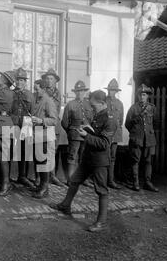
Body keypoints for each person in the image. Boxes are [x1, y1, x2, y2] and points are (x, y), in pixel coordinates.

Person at [50, 90, 118, 232]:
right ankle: (65, 205)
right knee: (74, 180)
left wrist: (86, 135)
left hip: (99, 161)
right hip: (88, 157)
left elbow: (104, 144)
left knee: (101, 190)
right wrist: (87, 129)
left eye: (94, 106)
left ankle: (101, 222)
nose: (92, 108)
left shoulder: (110, 119)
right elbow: (96, 133)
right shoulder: (98, 115)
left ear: (103, 103)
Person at [125, 84, 159, 192]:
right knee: (135, 160)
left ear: (147, 96)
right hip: (137, 138)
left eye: (144, 95)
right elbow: (127, 124)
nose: (142, 97)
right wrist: (135, 132)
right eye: (140, 95)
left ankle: (148, 183)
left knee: (148, 161)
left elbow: (156, 123)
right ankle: (136, 183)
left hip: (149, 139)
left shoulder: (152, 108)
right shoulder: (133, 108)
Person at [61, 80, 94, 185]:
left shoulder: (89, 104)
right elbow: (64, 122)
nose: (80, 93)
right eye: (78, 91)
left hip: (86, 135)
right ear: (75, 92)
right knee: (72, 156)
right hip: (75, 134)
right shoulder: (70, 105)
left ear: (84, 92)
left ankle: (81, 178)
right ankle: (70, 179)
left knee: (84, 156)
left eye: (82, 91)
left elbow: (92, 120)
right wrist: (71, 131)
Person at [30, 79, 59, 198]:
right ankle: (42, 185)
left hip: (46, 136)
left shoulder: (48, 101)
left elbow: (54, 120)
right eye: (35, 89)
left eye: (37, 89)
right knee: (39, 161)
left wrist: (41, 120)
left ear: (43, 88)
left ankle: (44, 188)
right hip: (38, 135)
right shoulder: (38, 100)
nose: (35, 92)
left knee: (44, 162)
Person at [11, 67, 36, 189]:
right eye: (18, 80)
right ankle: (8, 177)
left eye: (22, 80)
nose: (20, 82)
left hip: (26, 124)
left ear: (25, 82)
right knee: (10, 148)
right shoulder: (11, 93)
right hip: (13, 123)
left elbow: (32, 112)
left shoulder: (30, 95)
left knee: (24, 151)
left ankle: (22, 176)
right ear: (15, 80)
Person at [42, 68, 66, 187]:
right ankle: (43, 178)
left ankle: (52, 175)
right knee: (43, 151)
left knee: (53, 151)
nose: (49, 80)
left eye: (51, 78)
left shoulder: (58, 93)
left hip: (54, 126)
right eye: (47, 78)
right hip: (44, 125)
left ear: (56, 81)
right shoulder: (42, 92)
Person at [105, 79, 124, 189]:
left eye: (113, 90)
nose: (111, 92)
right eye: (110, 90)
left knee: (113, 157)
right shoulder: (103, 102)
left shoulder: (119, 104)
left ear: (116, 91)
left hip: (115, 134)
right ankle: (102, 179)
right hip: (105, 133)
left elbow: (121, 120)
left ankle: (110, 180)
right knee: (104, 156)